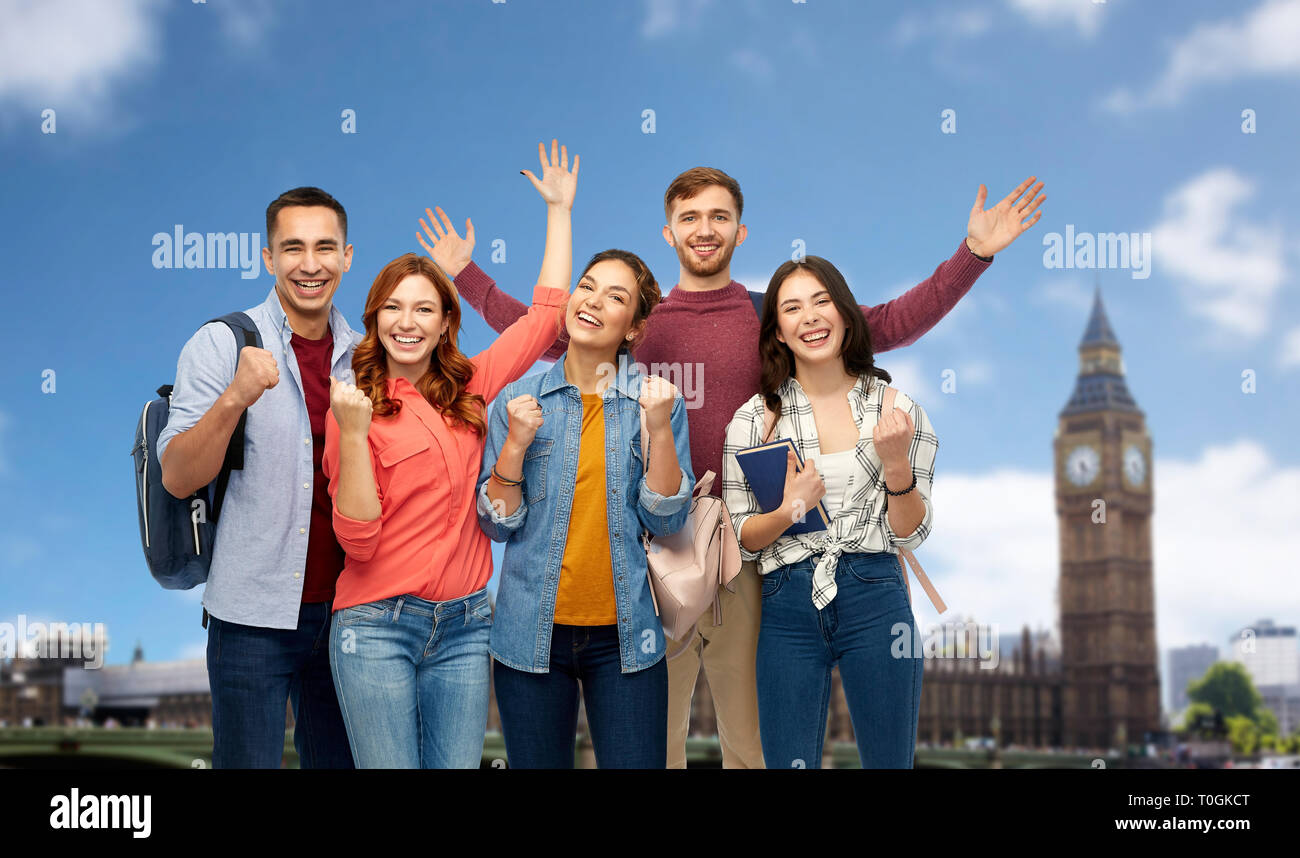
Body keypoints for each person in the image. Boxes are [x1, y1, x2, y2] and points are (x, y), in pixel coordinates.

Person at [434, 167, 1044, 768]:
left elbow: (884, 323)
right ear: (667, 233)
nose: (705, 229)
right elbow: (540, 330)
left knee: (751, 748)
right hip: (656, 558)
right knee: (654, 746)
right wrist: (466, 275)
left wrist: (972, 255)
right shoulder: (633, 328)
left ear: (741, 232)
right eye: (690, 217)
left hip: (754, 556)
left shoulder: (766, 315)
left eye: (719, 217)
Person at [321, 141, 576, 768]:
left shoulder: (471, 388)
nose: (407, 322)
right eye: (393, 308)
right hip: (375, 626)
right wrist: (352, 436)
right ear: (375, 317)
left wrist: (559, 211)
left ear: (444, 324)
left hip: (465, 627)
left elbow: (545, 320)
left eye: (424, 309)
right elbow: (356, 541)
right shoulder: (354, 406)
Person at [157, 186, 359, 768]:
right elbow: (176, 476)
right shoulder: (221, 343)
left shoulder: (365, 355)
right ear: (268, 258)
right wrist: (235, 397)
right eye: (292, 248)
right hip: (249, 618)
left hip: (349, 615)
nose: (310, 264)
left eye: (326, 247)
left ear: (347, 257)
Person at [476, 248, 695, 768]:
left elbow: (666, 519)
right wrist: (514, 447)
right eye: (588, 285)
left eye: (616, 296)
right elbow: (496, 524)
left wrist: (660, 427)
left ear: (634, 327)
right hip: (529, 636)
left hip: (628, 640)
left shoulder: (657, 401)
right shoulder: (517, 399)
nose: (593, 301)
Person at [723, 255, 937, 769]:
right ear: (777, 332)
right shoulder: (755, 419)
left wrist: (895, 466)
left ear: (845, 314)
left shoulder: (895, 409)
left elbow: (911, 532)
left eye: (822, 302)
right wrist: (790, 509)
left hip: (876, 596)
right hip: (786, 604)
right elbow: (743, 536)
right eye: (792, 308)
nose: (811, 317)